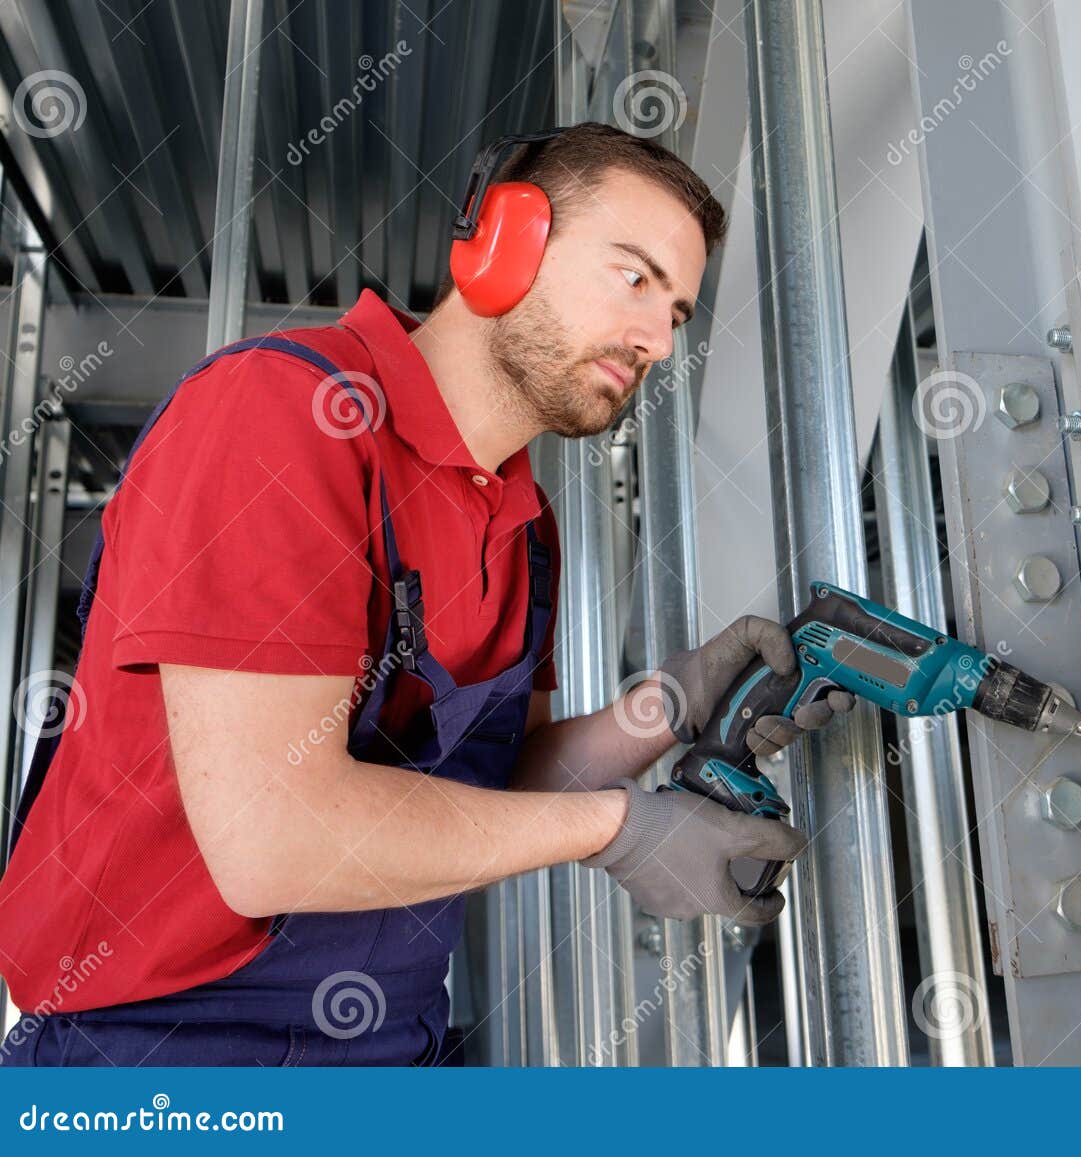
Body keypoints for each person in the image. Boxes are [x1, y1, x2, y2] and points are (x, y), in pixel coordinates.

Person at [0, 122, 852, 1067]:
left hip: (387, 1048)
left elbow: (491, 782)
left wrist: (671, 707)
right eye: (635, 277)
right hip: (156, 1061)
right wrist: (620, 828)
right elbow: (269, 839)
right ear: (501, 241)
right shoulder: (281, 420)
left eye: (679, 312)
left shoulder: (527, 526)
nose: (657, 337)